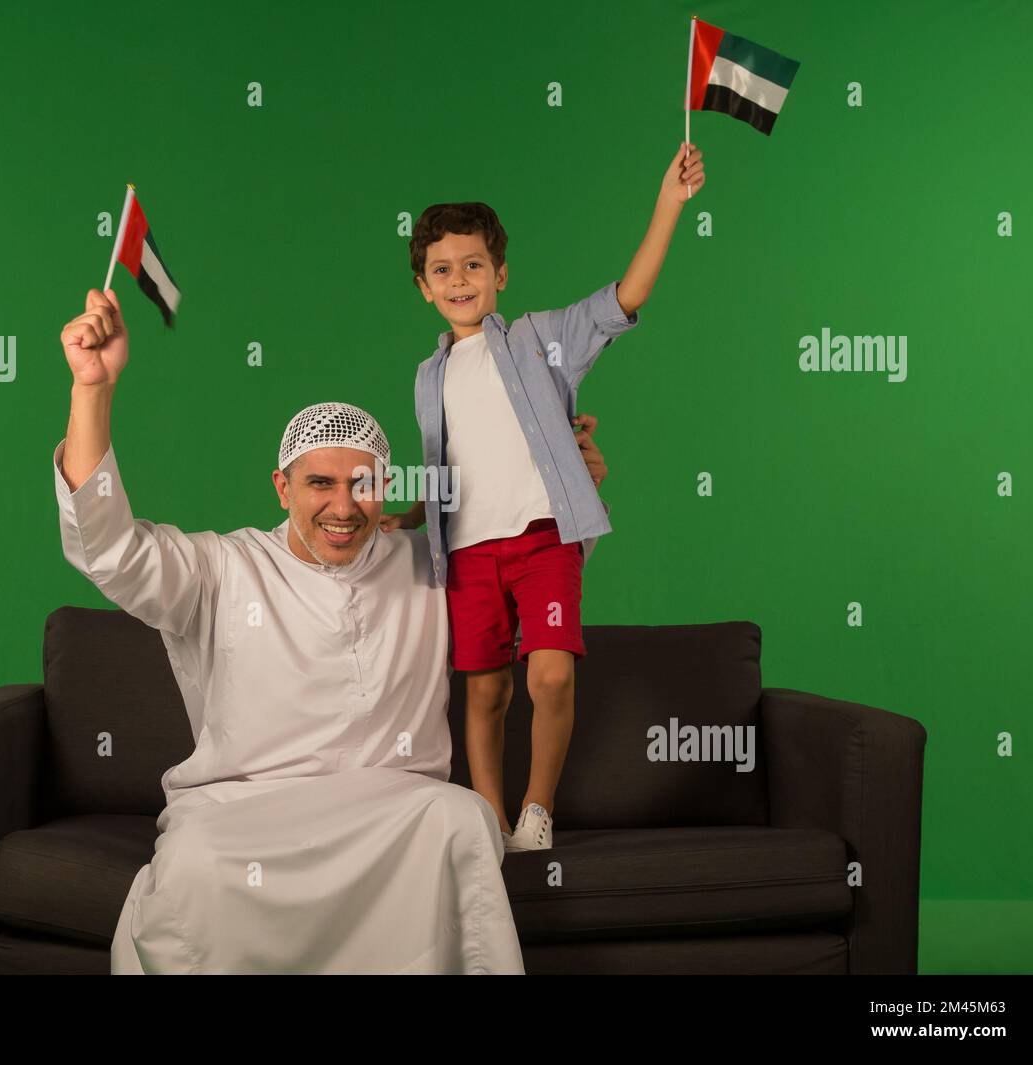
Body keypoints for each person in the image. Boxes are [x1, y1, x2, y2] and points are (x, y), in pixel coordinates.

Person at [53, 289, 614, 974]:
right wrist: (93, 390)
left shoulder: (430, 567)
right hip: (244, 806)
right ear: (281, 487)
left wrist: (564, 493)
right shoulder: (221, 567)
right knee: (196, 863)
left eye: (364, 484)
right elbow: (110, 550)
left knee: (460, 819)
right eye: (320, 483)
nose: (343, 507)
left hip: (392, 805)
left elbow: (520, 565)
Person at [381, 143, 706, 852]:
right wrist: (402, 515)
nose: (459, 279)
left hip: (541, 538)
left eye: (473, 265)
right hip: (465, 554)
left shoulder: (540, 339)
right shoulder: (425, 377)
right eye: (442, 270)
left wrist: (669, 204)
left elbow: (627, 295)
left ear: (500, 272)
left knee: (550, 675)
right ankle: (489, 822)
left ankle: (536, 811)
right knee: (485, 692)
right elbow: (445, 467)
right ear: (423, 287)